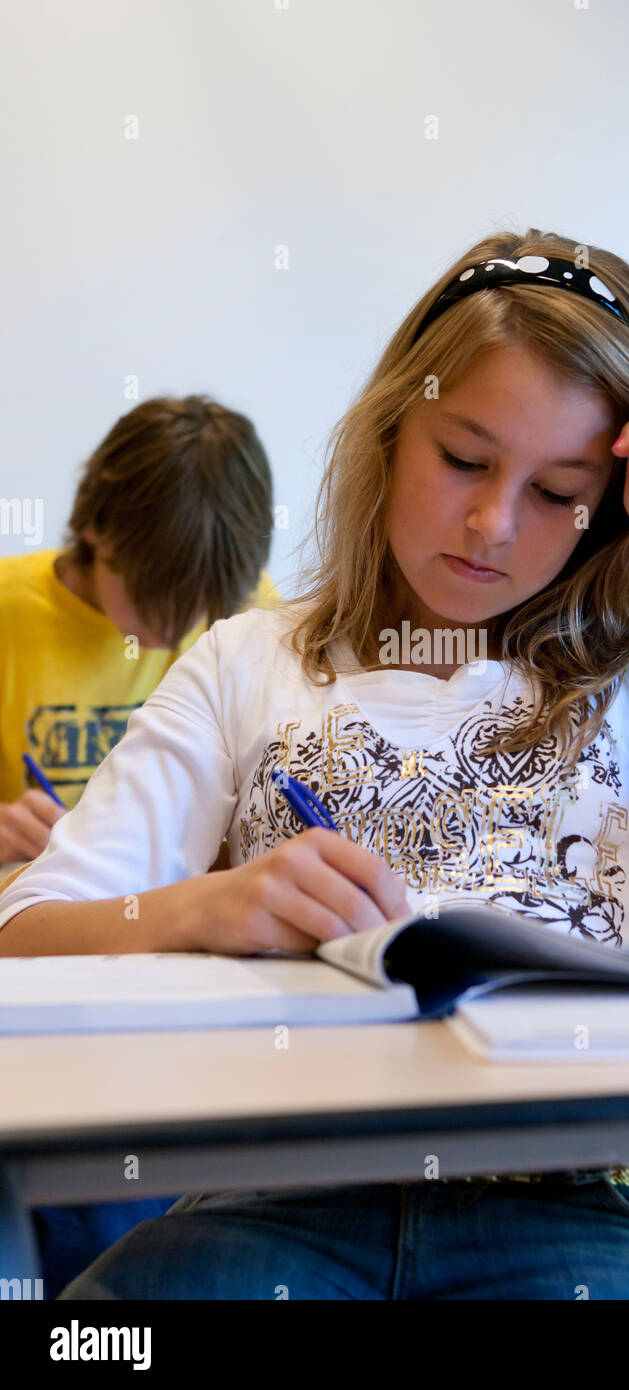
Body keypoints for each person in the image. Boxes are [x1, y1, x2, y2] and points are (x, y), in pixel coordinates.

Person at [1, 230, 629, 1300]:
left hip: (576, 1201)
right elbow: (24, 938)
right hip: (273, 1192)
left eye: (557, 492)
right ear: (389, 434)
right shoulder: (246, 661)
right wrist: (204, 907)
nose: (490, 523)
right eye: (462, 458)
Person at [0, 391, 279, 1297]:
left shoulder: (247, 621)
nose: (165, 635)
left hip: (190, 998)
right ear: (94, 529)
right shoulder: (10, 614)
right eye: (149, 606)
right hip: (47, 983)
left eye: (192, 612)